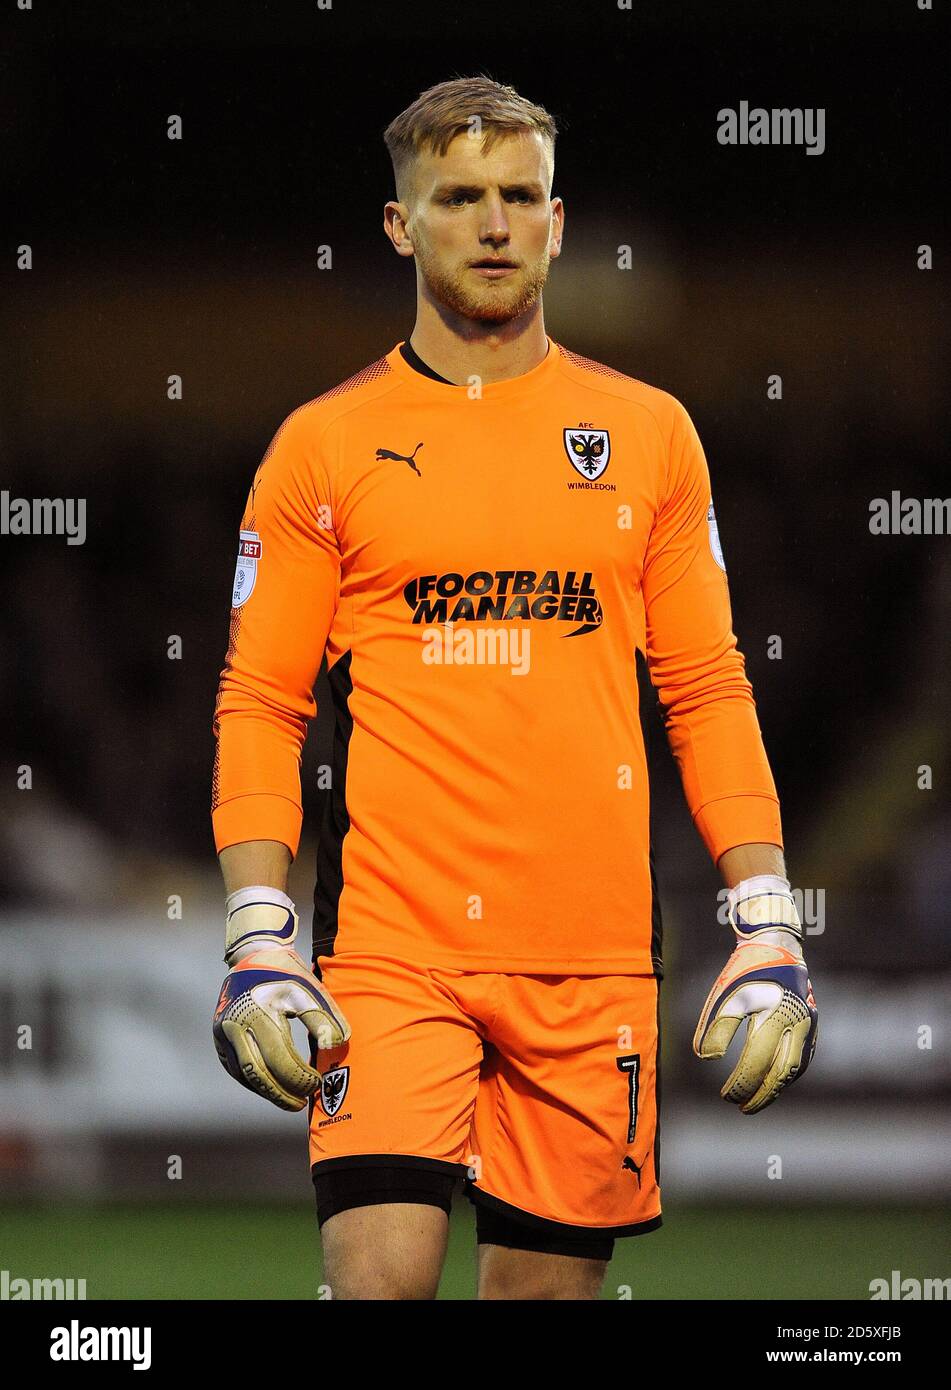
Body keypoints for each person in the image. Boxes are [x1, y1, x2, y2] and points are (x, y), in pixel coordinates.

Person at [210, 74, 818, 1301]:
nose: (494, 223)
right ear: (400, 226)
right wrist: (256, 929)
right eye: (459, 197)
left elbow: (705, 685)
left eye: (519, 196)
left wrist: (767, 912)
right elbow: (260, 700)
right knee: (377, 1285)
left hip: (588, 957)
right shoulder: (320, 447)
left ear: (556, 219)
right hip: (390, 952)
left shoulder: (650, 434)